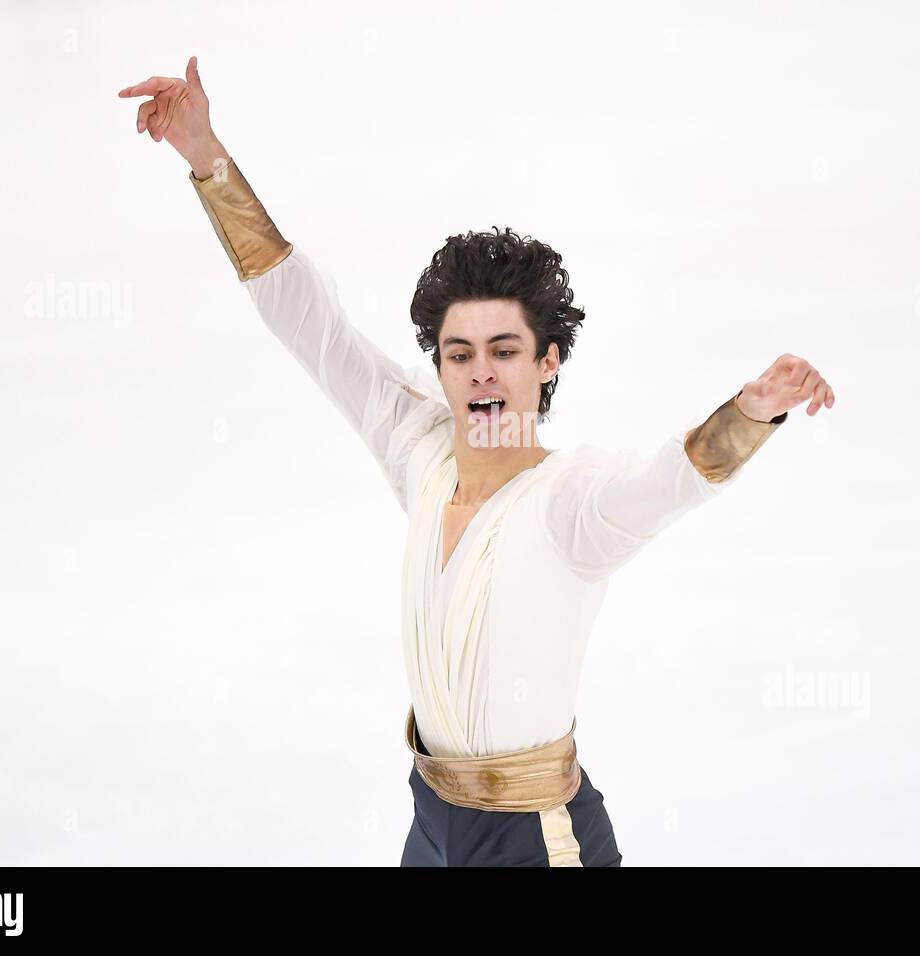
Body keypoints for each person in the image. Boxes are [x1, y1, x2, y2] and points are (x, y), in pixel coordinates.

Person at [118, 57, 836, 867]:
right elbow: (308, 321)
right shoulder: (419, 450)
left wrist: (748, 414)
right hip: (431, 825)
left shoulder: (572, 503)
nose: (481, 372)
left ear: (549, 362)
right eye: (459, 354)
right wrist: (208, 159)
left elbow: (665, 482)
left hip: (535, 838)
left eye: (504, 350)